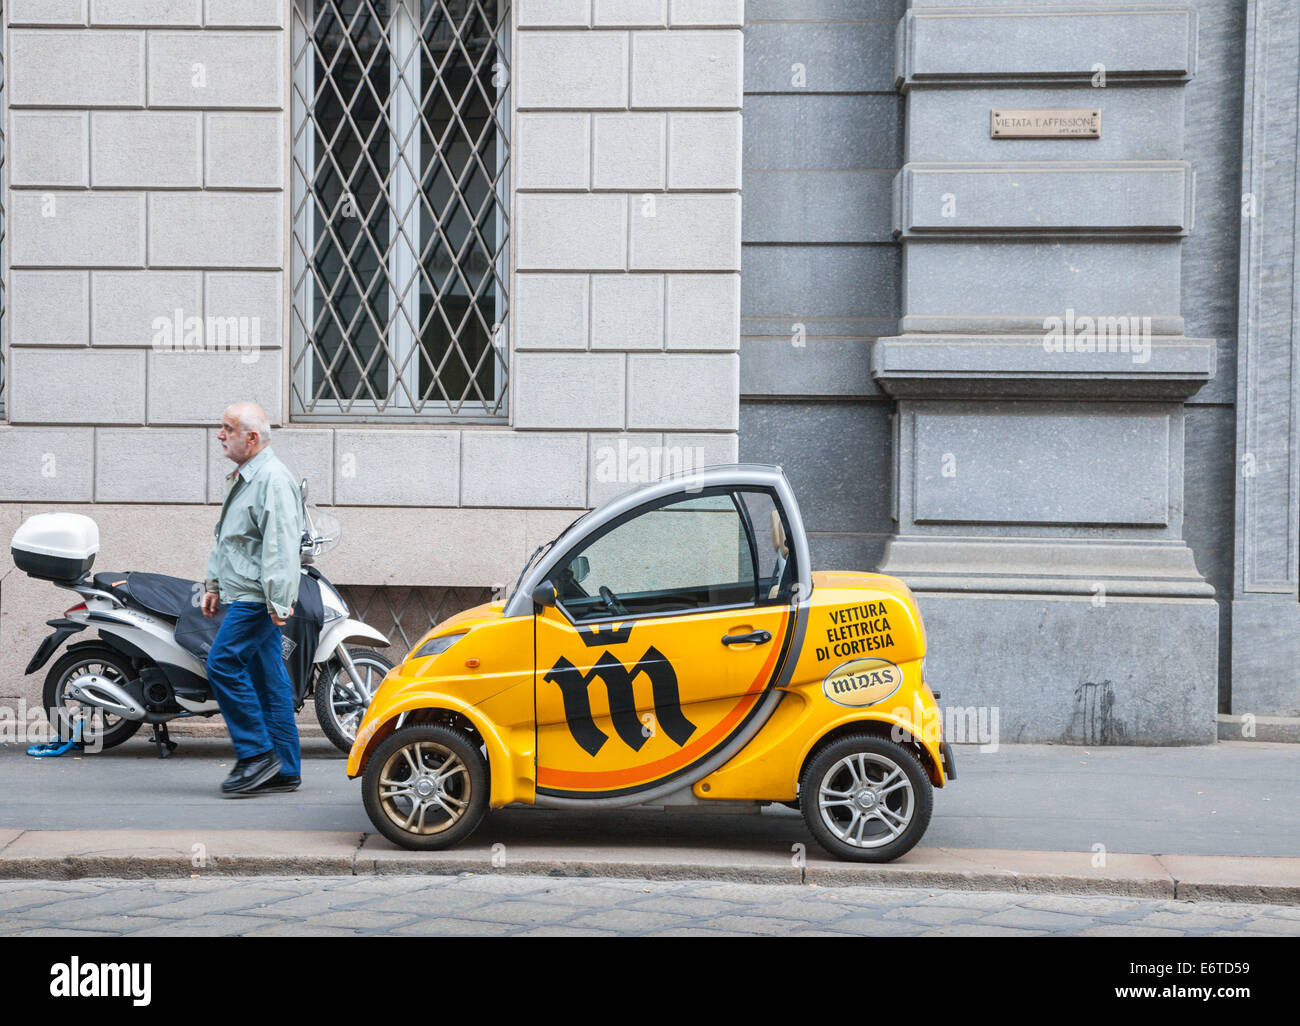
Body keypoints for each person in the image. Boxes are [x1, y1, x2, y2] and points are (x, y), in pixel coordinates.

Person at [202, 403, 304, 797]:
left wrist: (279, 602)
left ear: (252, 437)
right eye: (222, 426)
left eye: (228, 428)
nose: (220, 434)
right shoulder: (246, 477)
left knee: (223, 664)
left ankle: (257, 754)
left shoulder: (273, 480)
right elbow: (228, 537)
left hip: (256, 597)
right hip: (245, 591)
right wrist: (212, 584)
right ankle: (285, 767)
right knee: (269, 677)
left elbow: (281, 545)